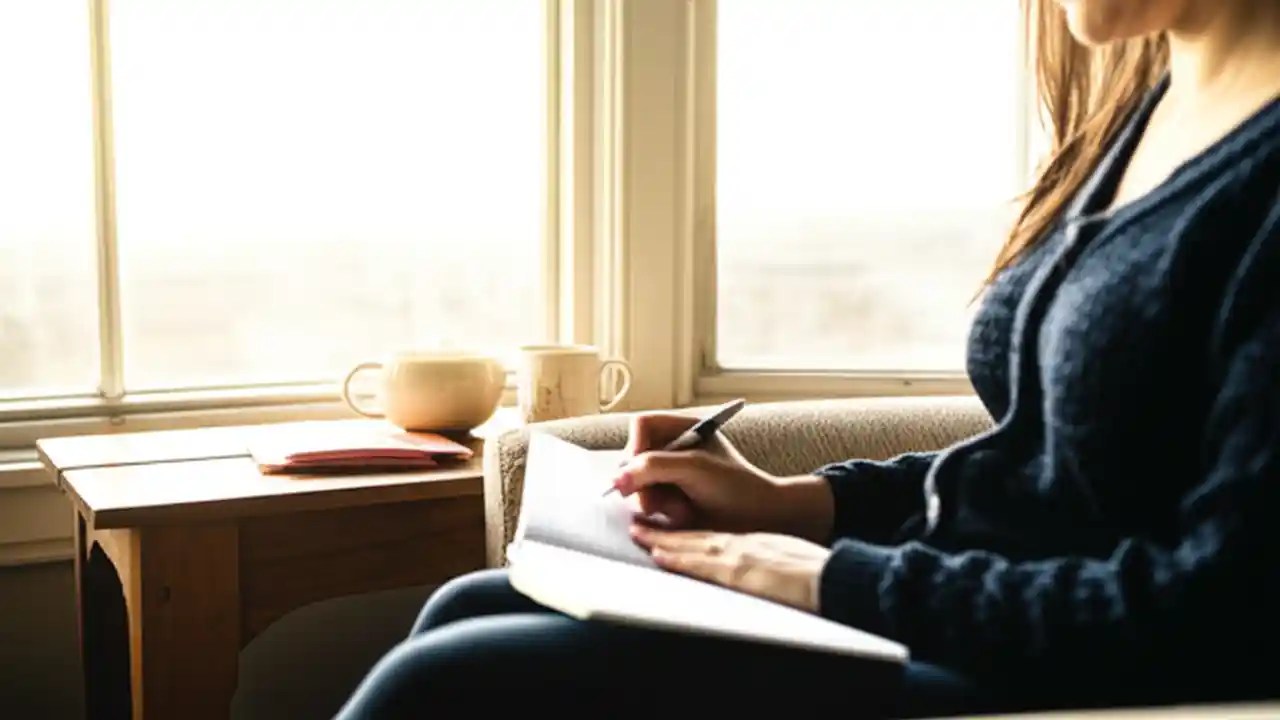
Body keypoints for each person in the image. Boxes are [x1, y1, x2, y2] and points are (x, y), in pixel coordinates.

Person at [336, 0, 1280, 716]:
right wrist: (803, 505)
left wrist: (821, 577)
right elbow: (1042, 471)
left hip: (1043, 658)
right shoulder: (1151, 101)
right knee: (466, 606)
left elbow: (1222, 609)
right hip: (958, 600)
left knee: (443, 683)